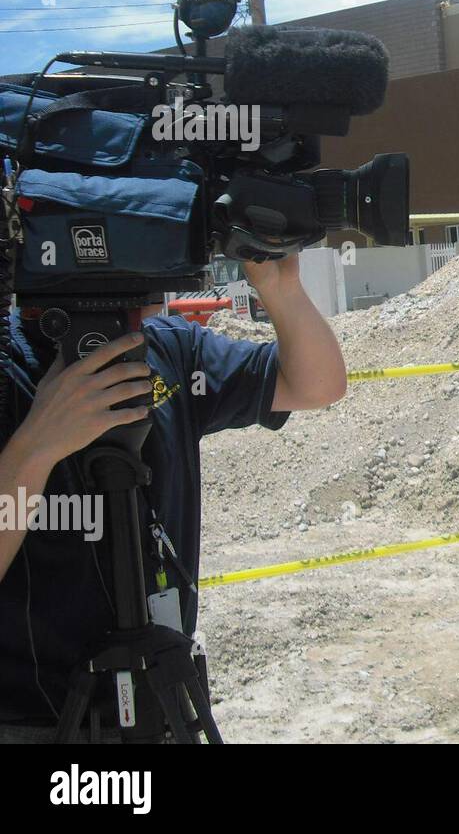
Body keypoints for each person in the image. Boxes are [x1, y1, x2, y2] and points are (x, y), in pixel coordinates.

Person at [0, 253, 347, 741]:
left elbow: (317, 385)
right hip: (35, 721)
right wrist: (35, 446)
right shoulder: (9, 363)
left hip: (157, 702)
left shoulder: (172, 352)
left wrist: (280, 287)